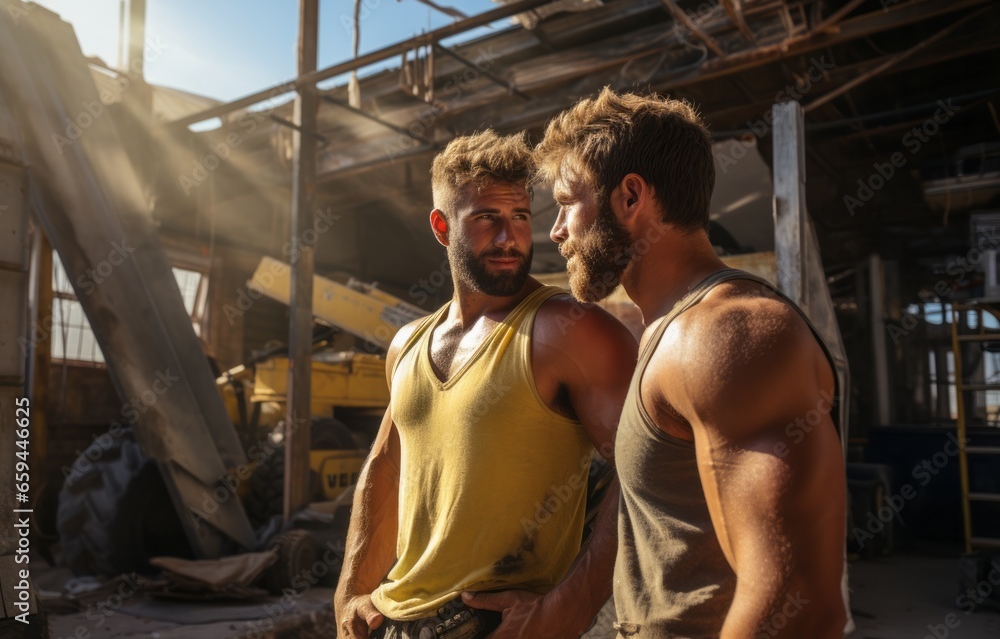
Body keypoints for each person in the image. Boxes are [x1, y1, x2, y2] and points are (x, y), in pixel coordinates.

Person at [534, 88, 851, 638]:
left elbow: (800, 605)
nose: (558, 231)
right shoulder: (668, 331)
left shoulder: (723, 334)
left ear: (630, 198)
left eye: (567, 202)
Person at [334, 129, 637, 639]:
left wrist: (565, 609)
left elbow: (645, 475)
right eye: (486, 219)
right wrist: (349, 595)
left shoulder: (572, 331)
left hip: (499, 626)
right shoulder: (406, 344)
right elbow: (387, 466)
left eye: (520, 217)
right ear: (441, 226)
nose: (508, 237)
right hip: (396, 622)